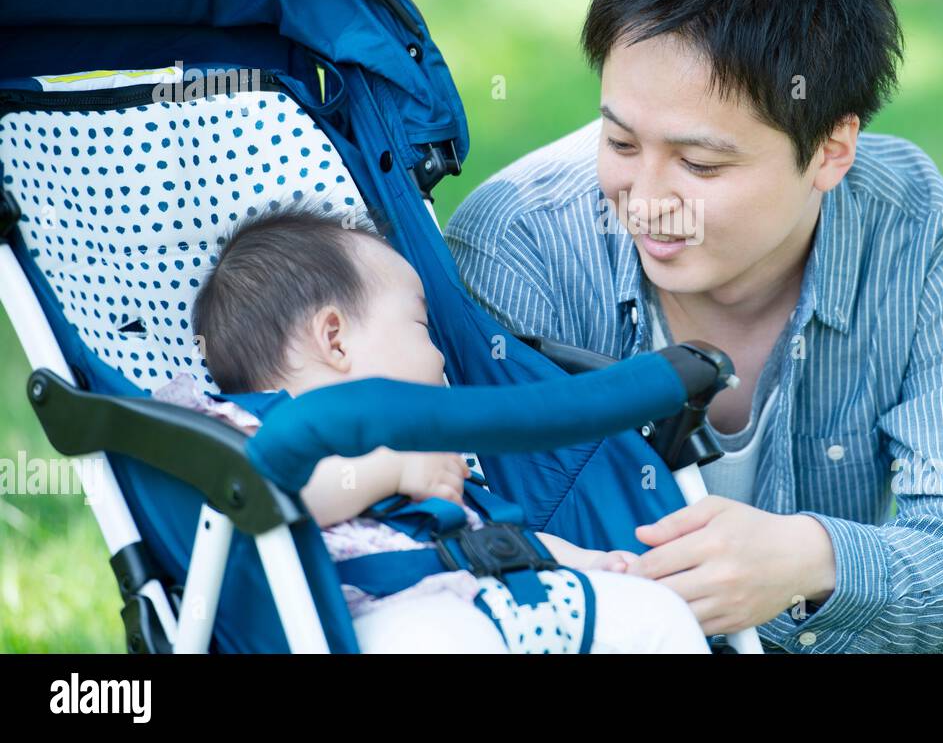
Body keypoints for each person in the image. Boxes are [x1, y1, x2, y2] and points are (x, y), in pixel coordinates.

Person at [446, 0, 943, 653]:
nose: (648, 201)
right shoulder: (520, 243)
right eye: (621, 143)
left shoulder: (938, 247)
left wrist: (808, 560)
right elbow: (489, 544)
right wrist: (911, 604)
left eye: (698, 163)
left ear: (831, 149)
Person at [174, 201, 710, 654]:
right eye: (421, 327)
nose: (440, 358)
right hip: (383, 622)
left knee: (655, 615)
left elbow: (496, 535)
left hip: (503, 602)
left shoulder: (429, 461)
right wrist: (391, 468)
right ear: (335, 339)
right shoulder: (240, 431)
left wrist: (590, 562)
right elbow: (271, 498)